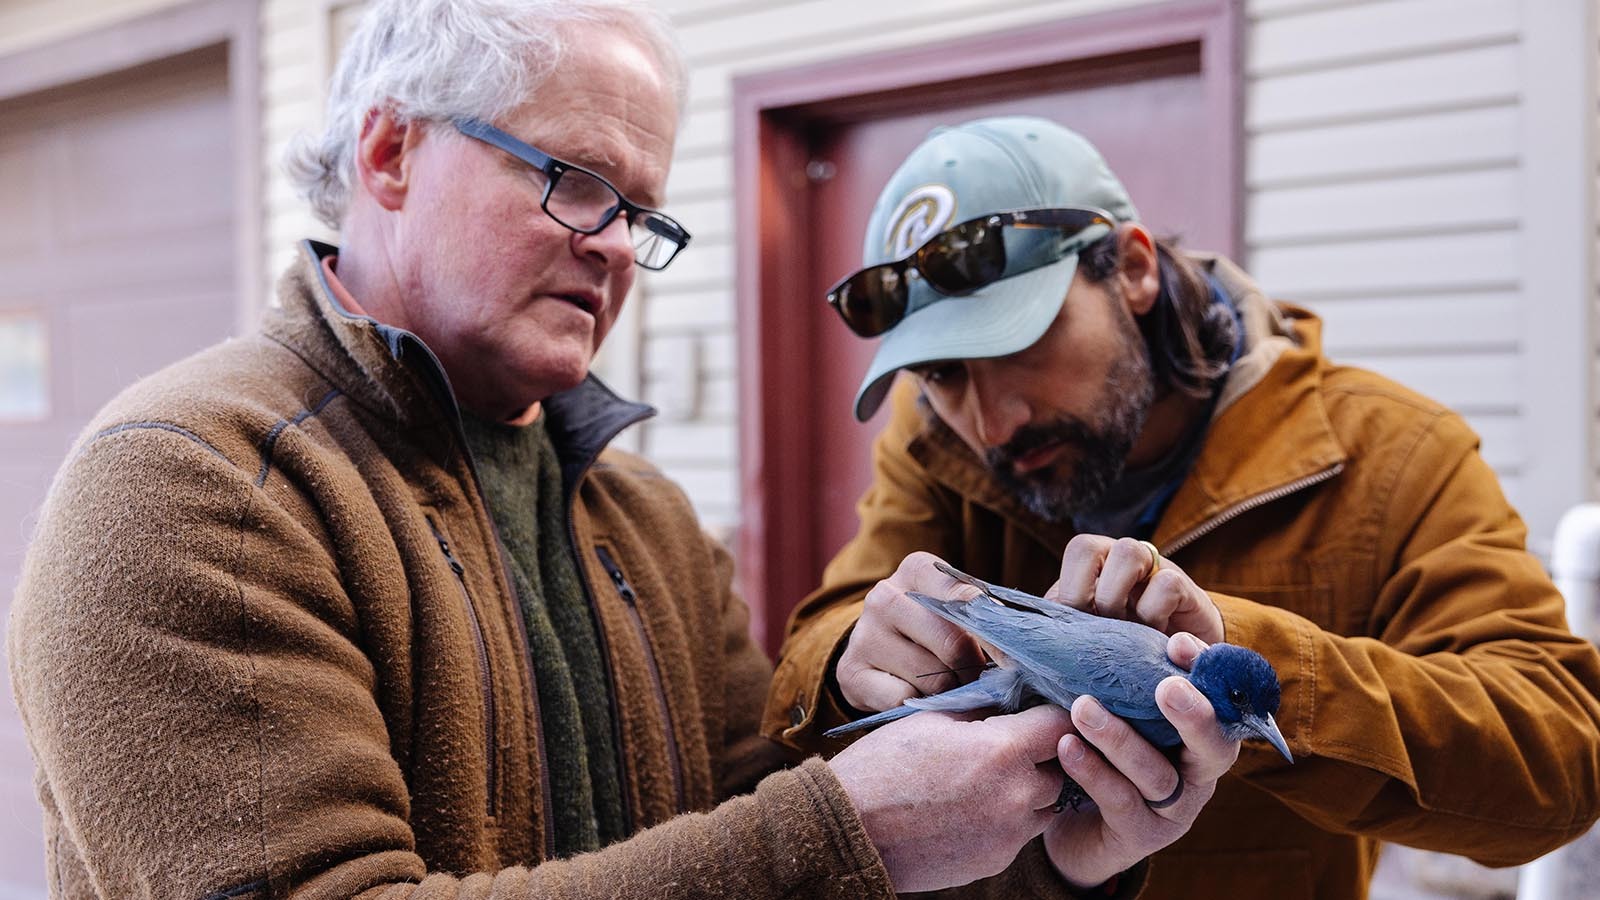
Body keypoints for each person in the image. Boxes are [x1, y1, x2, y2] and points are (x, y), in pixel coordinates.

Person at [7, 6, 1242, 897]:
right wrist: (841, 834)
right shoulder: (193, 484)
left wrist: (1056, 861)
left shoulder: (642, 518)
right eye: (577, 182)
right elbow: (804, 851)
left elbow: (784, 847)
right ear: (389, 155)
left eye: (641, 212)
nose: (612, 245)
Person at [764, 114, 1600, 900]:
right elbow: (814, 648)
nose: (992, 422)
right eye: (942, 374)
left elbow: (1559, 759)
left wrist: (1223, 667)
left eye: (1015, 341)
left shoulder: (1390, 450)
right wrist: (851, 655)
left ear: (1132, 269)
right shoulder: (933, 447)